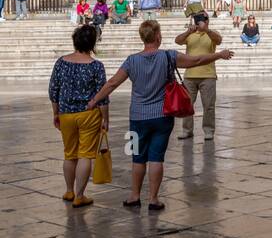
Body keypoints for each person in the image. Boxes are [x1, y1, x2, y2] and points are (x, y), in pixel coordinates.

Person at [86, 19, 233, 210]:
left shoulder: (131, 61)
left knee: (137, 157)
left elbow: (113, 83)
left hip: (137, 118)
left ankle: (134, 195)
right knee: (156, 158)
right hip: (162, 117)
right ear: (157, 36)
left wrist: (94, 100)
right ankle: (154, 198)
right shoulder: (168, 57)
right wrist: (219, 55)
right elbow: (196, 60)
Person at [48, 23, 109, 208]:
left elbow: (53, 90)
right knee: (85, 155)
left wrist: (55, 113)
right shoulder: (96, 66)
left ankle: (69, 190)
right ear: (92, 44)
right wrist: (106, 118)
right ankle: (80, 195)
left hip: (66, 113)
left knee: (69, 154)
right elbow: (102, 95)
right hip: (89, 115)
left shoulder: (61, 62)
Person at [174, 13, 223, 141]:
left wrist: (206, 30)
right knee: (187, 105)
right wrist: (187, 32)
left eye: (203, 19)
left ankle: (208, 130)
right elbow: (177, 41)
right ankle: (187, 130)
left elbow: (219, 40)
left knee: (209, 105)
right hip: (190, 75)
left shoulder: (212, 33)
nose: (200, 22)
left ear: (207, 21)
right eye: (198, 19)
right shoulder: (190, 34)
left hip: (208, 75)